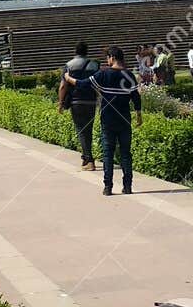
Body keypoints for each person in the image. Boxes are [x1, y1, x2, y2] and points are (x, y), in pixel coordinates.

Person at [93, 46, 143, 195]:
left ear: (112, 57)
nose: (107, 61)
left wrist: (70, 79)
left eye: (107, 58)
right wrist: (139, 115)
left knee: (108, 152)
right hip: (124, 119)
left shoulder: (103, 74)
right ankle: (127, 186)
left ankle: (108, 187)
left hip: (107, 120)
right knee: (126, 153)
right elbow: (136, 97)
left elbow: (84, 84)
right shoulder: (129, 75)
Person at [61, 43, 100, 171]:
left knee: (81, 130)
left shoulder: (69, 65)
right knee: (87, 130)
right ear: (86, 52)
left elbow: (63, 86)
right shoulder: (94, 65)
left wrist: (61, 103)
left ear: (75, 51)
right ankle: (85, 157)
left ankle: (89, 159)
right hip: (91, 101)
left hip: (76, 101)